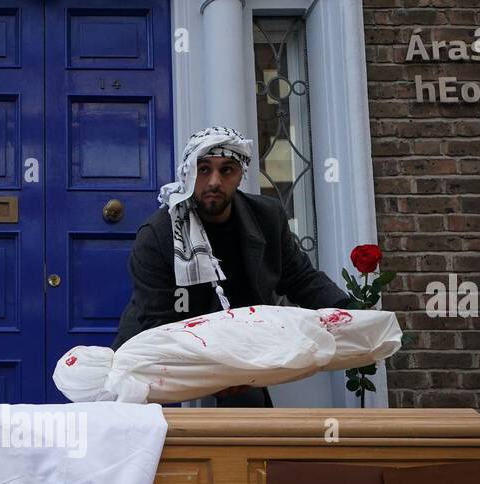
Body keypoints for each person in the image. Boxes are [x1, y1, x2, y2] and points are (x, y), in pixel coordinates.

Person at [114, 126, 353, 407]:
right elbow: (160, 322)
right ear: (188, 173)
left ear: (241, 175)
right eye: (203, 169)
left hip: (237, 344)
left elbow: (300, 278)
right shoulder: (158, 234)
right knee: (147, 425)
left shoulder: (267, 217)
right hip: (161, 347)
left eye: (227, 170)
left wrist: (351, 313)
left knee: (249, 419)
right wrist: (217, 371)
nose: (214, 181)